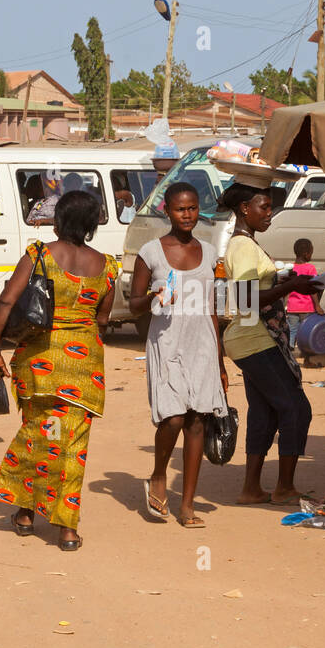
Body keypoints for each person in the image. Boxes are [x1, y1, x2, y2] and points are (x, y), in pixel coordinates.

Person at [0, 191, 119, 551]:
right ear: (92, 225)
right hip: (84, 366)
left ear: (58, 220)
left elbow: (7, 300)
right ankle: (67, 530)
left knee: (38, 433)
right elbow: (103, 320)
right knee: (72, 446)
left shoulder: (39, 255)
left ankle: (26, 514)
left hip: (39, 362)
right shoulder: (108, 266)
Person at [129, 182, 228, 528]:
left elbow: (215, 307)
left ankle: (187, 504)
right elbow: (133, 304)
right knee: (172, 418)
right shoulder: (151, 252)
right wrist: (156, 293)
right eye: (179, 209)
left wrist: (220, 359)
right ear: (166, 211)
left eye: (192, 208)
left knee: (197, 419)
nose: (187, 215)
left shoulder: (212, 252)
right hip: (167, 341)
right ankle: (158, 475)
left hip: (201, 341)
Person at [220, 183, 318, 505]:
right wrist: (292, 285)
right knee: (296, 408)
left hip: (250, 339)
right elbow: (247, 300)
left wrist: (287, 282)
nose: (269, 213)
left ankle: (251, 489)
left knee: (264, 412)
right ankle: (284, 487)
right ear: (245, 208)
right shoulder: (243, 247)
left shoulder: (245, 244)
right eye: (264, 207)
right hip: (254, 338)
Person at [286, 238, 321, 350]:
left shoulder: (290, 268)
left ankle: (290, 349)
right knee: (306, 331)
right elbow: (313, 290)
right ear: (306, 254)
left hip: (292, 307)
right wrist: (317, 305)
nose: (311, 255)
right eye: (311, 253)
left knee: (292, 330)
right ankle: (306, 356)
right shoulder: (310, 268)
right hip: (307, 307)